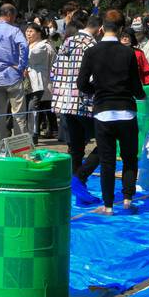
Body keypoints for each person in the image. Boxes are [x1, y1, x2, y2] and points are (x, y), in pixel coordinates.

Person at [76, 10, 145, 214]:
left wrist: (97, 91)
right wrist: (141, 95)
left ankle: (107, 205)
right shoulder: (128, 53)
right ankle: (127, 200)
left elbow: (81, 83)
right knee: (129, 157)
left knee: (107, 161)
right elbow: (136, 86)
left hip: (103, 111)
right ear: (121, 29)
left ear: (101, 28)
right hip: (126, 111)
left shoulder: (91, 52)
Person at [50, 10, 100, 203]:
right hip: (84, 101)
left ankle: (75, 188)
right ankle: (80, 179)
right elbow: (93, 76)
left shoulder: (67, 41)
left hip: (64, 101)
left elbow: (54, 71)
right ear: (99, 28)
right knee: (104, 142)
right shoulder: (91, 44)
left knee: (75, 146)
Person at [0, 3, 28, 140]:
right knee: (19, 115)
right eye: (14, 16)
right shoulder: (14, 31)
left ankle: (1, 148)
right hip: (13, 76)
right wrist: (22, 66)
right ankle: (20, 150)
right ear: (10, 15)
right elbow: (24, 46)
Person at [24, 21, 55, 141]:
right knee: (29, 108)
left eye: (31, 31)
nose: (28, 33)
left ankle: (34, 134)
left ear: (38, 33)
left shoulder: (43, 46)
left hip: (38, 82)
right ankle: (30, 133)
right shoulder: (28, 44)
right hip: (27, 83)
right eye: (27, 31)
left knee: (33, 107)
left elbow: (30, 56)